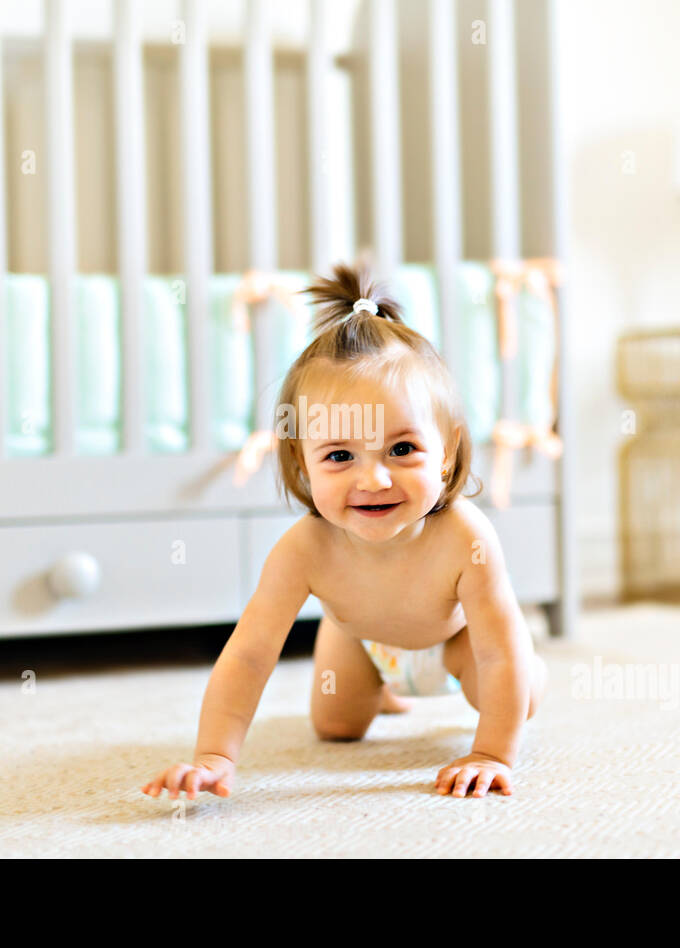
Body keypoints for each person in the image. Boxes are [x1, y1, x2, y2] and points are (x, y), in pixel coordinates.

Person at [142, 262, 548, 800]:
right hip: (359, 638)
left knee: (506, 689)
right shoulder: (303, 550)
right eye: (339, 455)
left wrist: (492, 754)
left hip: (457, 641)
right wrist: (215, 756)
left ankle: (531, 682)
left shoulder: (465, 539)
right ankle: (381, 688)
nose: (374, 479)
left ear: (446, 454)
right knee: (336, 727)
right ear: (304, 464)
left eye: (402, 449)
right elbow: (248, 655)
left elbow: (499, 653)